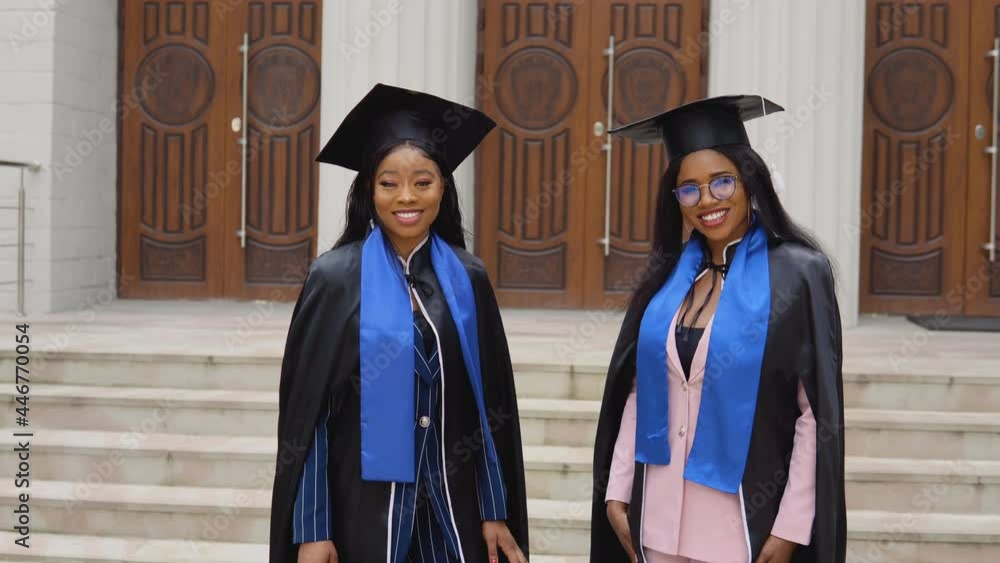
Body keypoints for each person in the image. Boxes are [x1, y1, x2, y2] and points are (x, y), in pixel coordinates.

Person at [269, 83, 529, 563]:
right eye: (389, 183)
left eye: (423, 182)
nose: (406, 196)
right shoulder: (334, 280)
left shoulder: (468, 279)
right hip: (363, 516)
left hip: (454, 514)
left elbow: (488, 406)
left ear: (443, 187)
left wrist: (494, 508)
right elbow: (312, 419)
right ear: (369, 189)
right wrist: (311, 527)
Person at [589, 96, 846, 563]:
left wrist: (790, 526)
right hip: (658, 523)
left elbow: (815, 415)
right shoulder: (668, 281)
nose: (706, 199)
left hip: (741, 525)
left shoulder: (797, 274)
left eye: (721, 182)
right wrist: (617, 491)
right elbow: (639, 391)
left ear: (750, 182)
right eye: (689, 189)